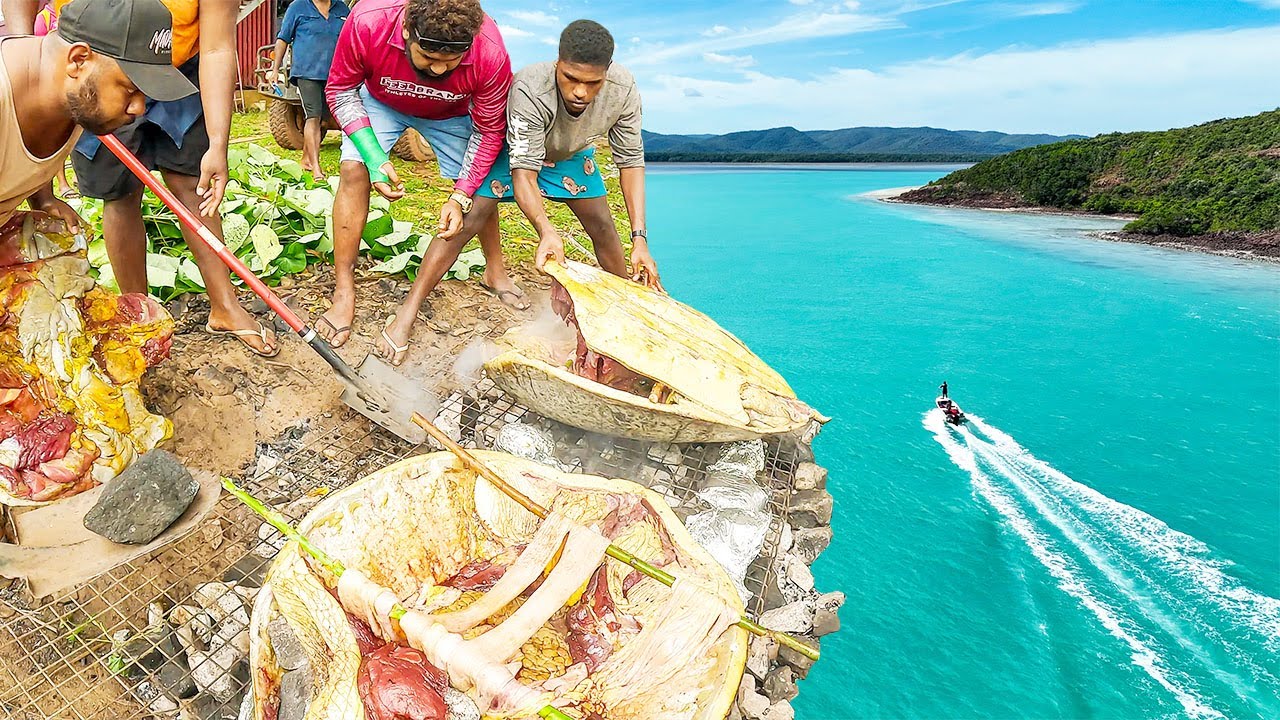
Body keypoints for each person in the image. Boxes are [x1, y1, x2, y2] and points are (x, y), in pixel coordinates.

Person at [4, 0, 278, 357]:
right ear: (73, 61)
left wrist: (217, 143)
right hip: (98, 62)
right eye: (132, 95)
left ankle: (223, 305)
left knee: (192, 184)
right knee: (119, 193)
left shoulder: (80, 95)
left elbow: (216, 46)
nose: (139, 110)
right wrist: (24, 64)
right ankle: (138, 315)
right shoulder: (67, 91)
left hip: (163, 67)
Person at [324, 0, 522, 366]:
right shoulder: (368, 21)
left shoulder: (490, 52)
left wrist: (461, 194)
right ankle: (344, 287)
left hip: (453, 113)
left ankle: (495, 270)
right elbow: (340, 90)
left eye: (451, 62)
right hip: (381, 101)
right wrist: (372, 154)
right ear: (405, 31)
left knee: (481, 193)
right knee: (353, 171)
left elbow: (490, 129)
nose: (437, 68)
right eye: (427, 56)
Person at [477, 20, 660, 289]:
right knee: (473, 214)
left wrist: (640, 239)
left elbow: (631, 161)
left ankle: (627, 293)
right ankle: (493, 272)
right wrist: (546, 231)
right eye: (570, 78)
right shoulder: (531, 85)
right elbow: (524, 172)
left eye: (592, 82)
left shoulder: (623, 89)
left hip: (570, 153)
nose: (580, 92)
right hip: (513, 150)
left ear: (607, 73)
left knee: (602, 224)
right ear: (557, 64)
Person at [0, 0, 192, 232]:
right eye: (130, 89)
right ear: (79, 60)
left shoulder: (72, 93)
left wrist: (43, 199)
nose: (139, 108)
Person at [268, 0, 349, 182]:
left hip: (334, 74)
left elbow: (351, 38)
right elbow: (283, 39)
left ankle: (305, 159)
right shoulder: (298, 7)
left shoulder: (341, 9)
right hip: (307, 73)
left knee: (324, 121)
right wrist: (275, 69)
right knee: (312, 117)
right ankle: (316, 168)